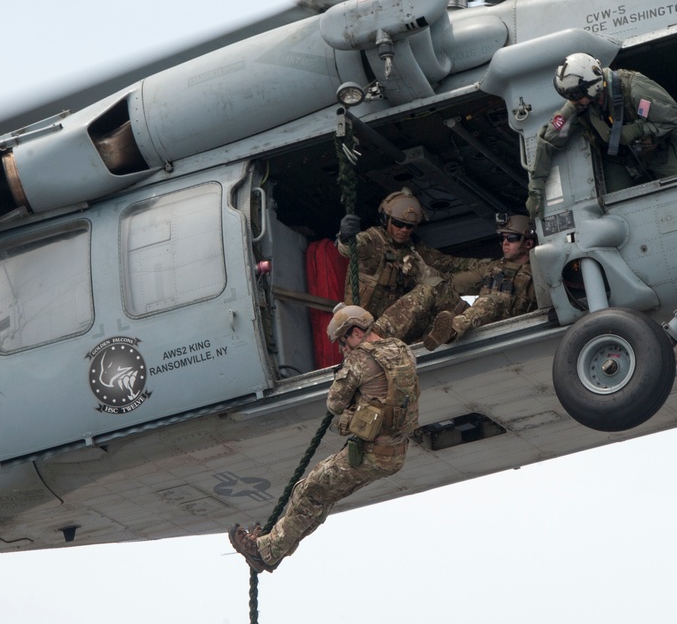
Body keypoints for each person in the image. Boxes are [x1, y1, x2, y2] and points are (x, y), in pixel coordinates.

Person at [228, 303, 419, 574]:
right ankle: (274, 547)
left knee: (308, 490)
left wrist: (350, 384)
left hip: (372, 453)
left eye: (343, 342)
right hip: (395, 452)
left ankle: (266, 552)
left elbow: (334, 402)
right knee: (321, 497)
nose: (343, 349)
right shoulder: (402, 349)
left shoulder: (360, 359)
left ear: (355, 332)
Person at [527, 53, 677, 217]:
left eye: (574, 94)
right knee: (618, 211)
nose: (571, 101)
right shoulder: (579, 105)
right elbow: (548, 139)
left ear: (592, 86)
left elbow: (674, 118)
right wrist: (536, 187)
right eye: (566, 95)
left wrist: (639, 130)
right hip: (620, 159)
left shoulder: (634, 87)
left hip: (659, 149)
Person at [365, 214, 537, 349]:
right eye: (502, 238)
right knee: (433, 285)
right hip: (475, 323)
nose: (504, 243)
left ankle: (451, 329)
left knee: (492, 300)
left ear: (528, 243)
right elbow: (451, 283)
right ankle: (374, 336)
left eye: (511, 238)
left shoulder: (539, 270)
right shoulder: (493, 268)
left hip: (508, 325)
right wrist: (421, 270)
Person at [336, 188, 484, 323]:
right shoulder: (374, 240)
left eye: (409, 226)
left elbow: (450, 263)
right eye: (398, 223)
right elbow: (351, 248)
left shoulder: (415, 251)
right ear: (385, 219)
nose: (404, 230)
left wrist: (490, 266)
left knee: (437, 288)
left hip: (394, 325)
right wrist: (345, 237)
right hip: (360, 325)